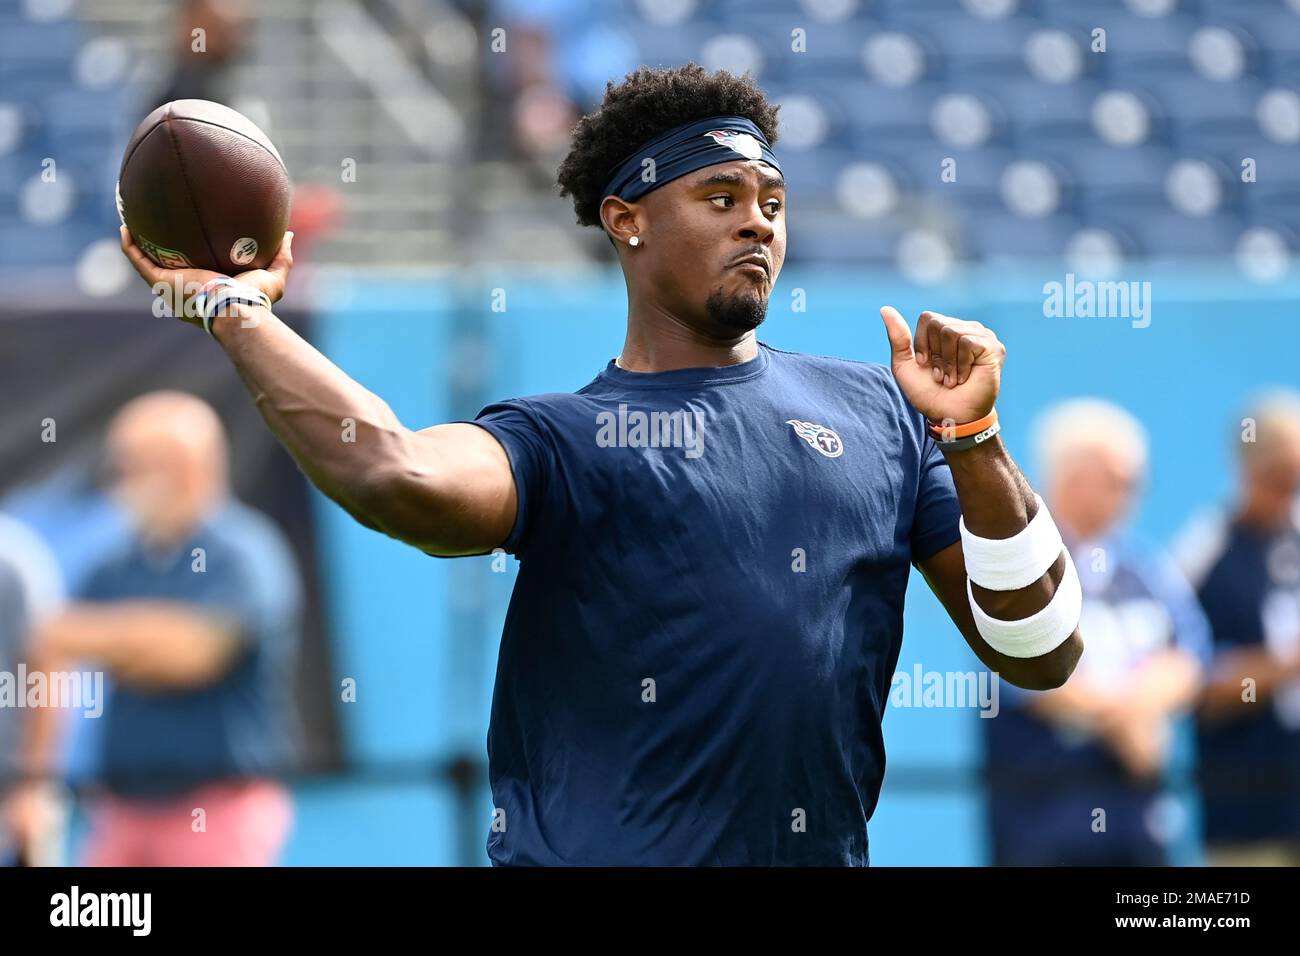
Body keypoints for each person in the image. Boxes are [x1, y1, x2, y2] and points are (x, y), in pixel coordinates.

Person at [119, 64, 1085, 866]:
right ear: (626, 220)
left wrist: (976, 438)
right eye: (721, 197)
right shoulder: (567, 438)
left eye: (773, 202)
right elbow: (397, 477)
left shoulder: (881, 409)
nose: (759, 223)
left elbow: (1042, 650)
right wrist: (234, 309)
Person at [9, 392, 301, 866]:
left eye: (139, 463)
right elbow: (51, 639)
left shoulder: (242, 553)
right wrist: (144, 639)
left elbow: (191, 657)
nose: (124, 479)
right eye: (123, 463)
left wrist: (112, 641)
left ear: (190, 467)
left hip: (217, 806)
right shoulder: (115, 563)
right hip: (123, 806)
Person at [982, 399, 1209, 866]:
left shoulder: (1145, 566)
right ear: (1071, 477)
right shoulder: (1023, 562)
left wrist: (1138, 707)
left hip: (1136, 820)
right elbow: (1022, 671)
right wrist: (1124, 721)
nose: (1132, 494)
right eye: (1119, 481)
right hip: (1044, 820)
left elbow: (1188, 654)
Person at [1175, 389, 1300, 866]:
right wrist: (1281, 667)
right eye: (1278, 478)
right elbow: (1191, 682)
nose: (1287, 494)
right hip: (1247, 818)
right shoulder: (1206, 551)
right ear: (1248, 468)